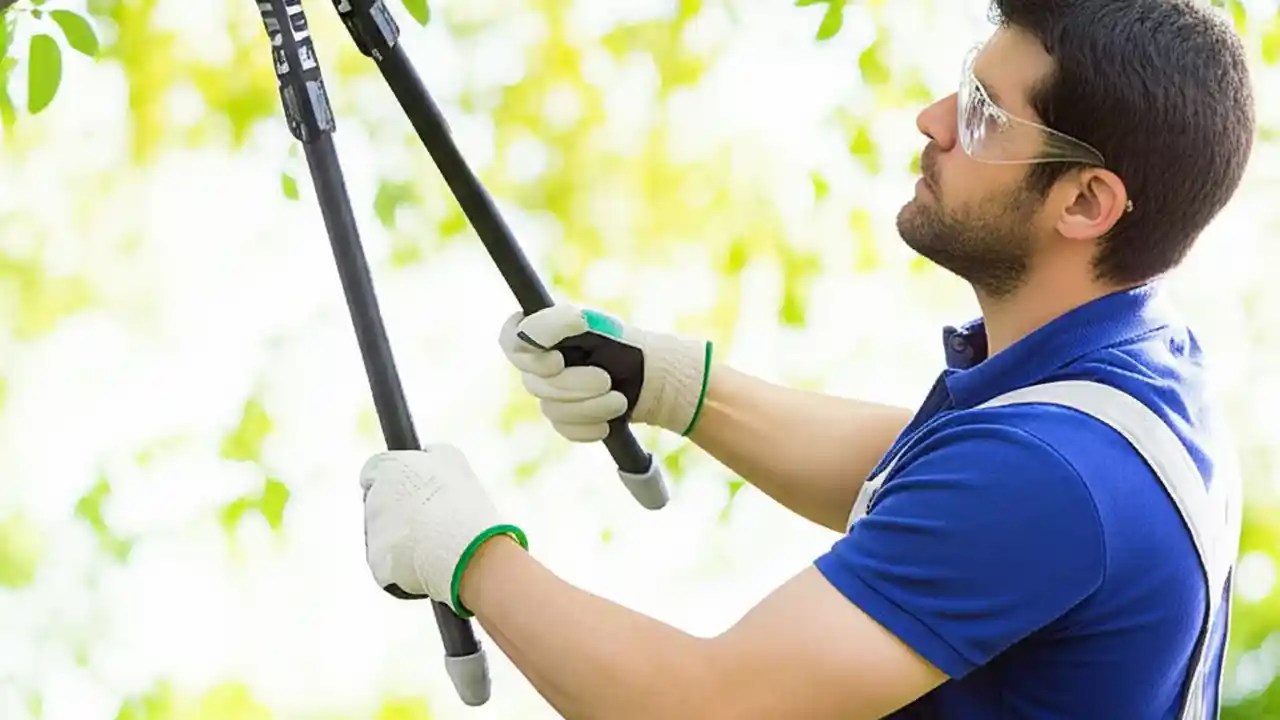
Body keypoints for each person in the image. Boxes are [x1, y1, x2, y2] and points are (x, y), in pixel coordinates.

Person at [358, 0, 1256, 717]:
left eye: (983, 116)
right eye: (961, 87)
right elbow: (925, 472)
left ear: (1087, 201)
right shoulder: (1135, 367)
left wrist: (468, 554)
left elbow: (703, 709)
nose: (933, 120)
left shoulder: (1052, 476)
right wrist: (676, 387)